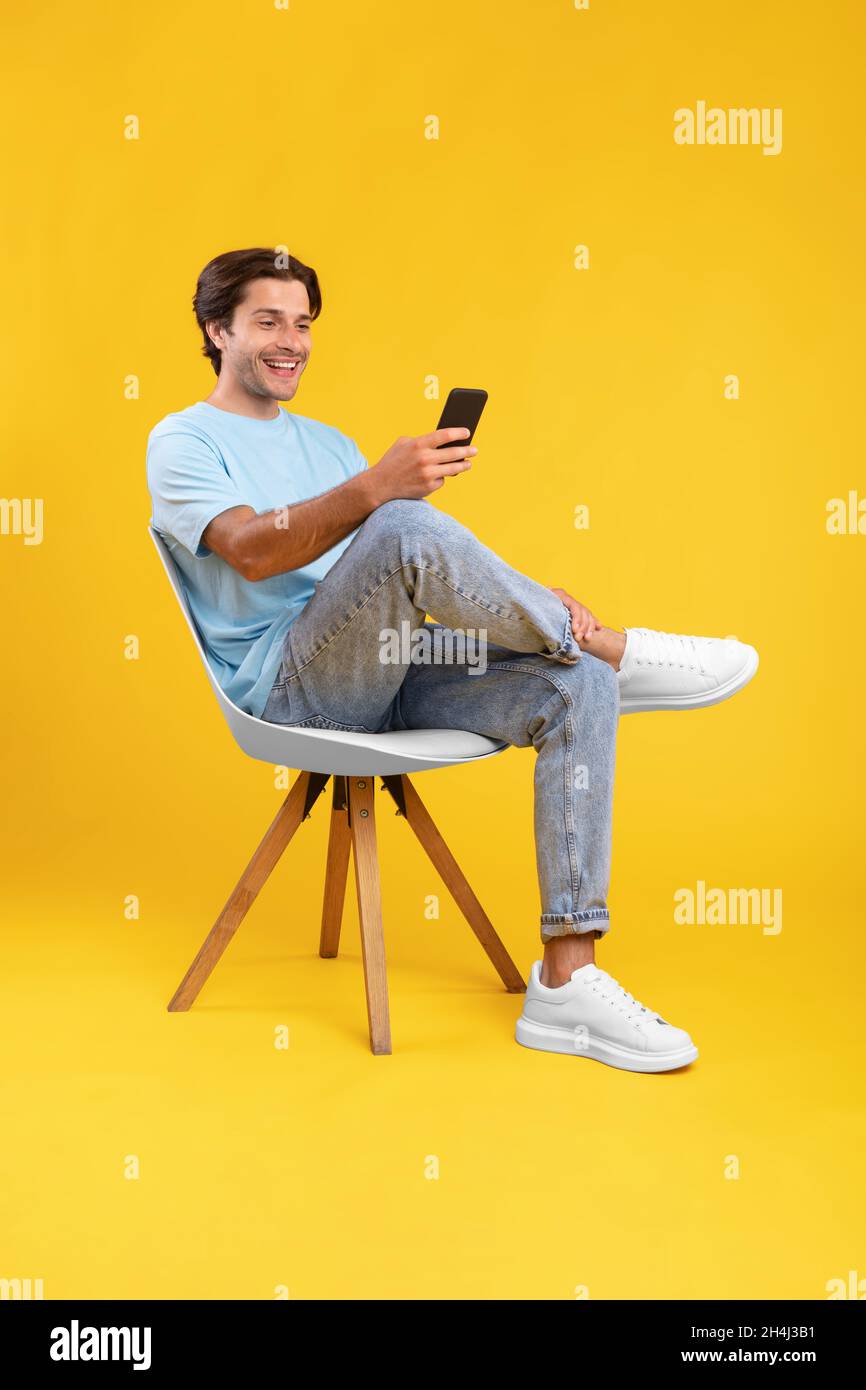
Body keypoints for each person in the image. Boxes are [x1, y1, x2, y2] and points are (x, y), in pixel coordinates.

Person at [147, 248, 758, 1073]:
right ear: (217, 331)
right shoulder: (181, 439)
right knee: (402, 526)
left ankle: (568, 982)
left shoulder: (329, 444)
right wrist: (379, 490)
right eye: (267, 322)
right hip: (292, 691)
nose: (291, 341)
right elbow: (252, 553)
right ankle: (619, 646)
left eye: (303, 324)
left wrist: (533, 600)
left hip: (383, 666)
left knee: (572, 685)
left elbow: (394, 582)